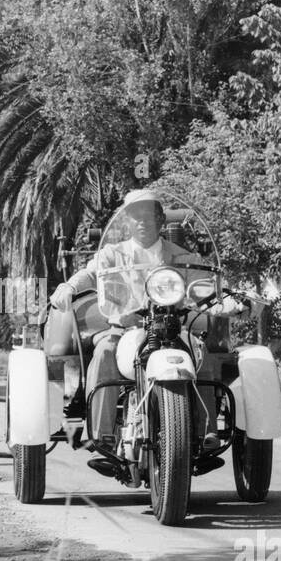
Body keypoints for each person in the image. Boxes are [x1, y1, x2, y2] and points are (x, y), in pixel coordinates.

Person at [49, 189, 205, 447]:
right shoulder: (112, 253)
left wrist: (223, 299)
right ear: (127, 221)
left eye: (149, 215)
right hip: (125, 328)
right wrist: (69, 287)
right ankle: (103, 435)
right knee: (105, 351)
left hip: (172, 329)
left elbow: (201, 285)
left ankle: (204, 432)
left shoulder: (182, 257)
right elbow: (89, 274)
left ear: (161, 220)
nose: (142, 222)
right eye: (136, 216)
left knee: (200, 350)